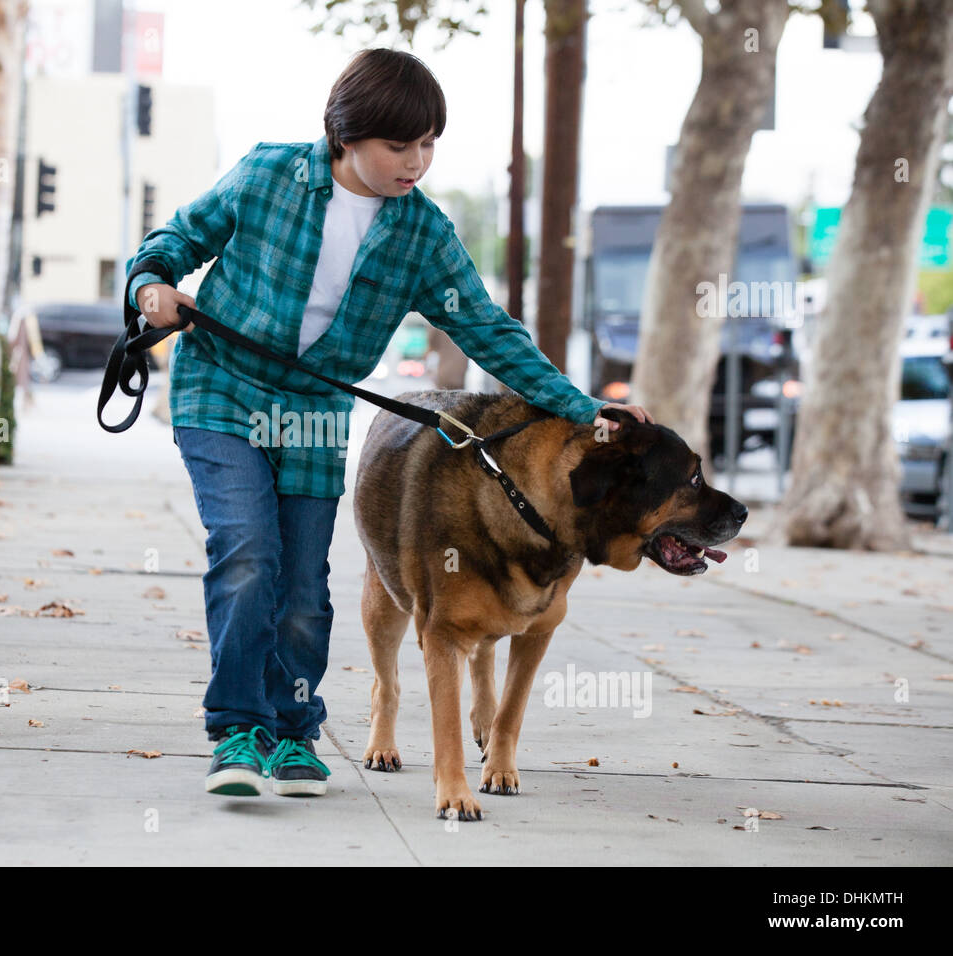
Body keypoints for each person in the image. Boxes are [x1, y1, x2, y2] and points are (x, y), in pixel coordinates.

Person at [125, 48, 652, 800]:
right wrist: (152, 285)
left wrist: (581, 406)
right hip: (222, 389)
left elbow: (489, 330)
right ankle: (239, 727)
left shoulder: (423, 234)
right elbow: (177, 237)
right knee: (248, 553)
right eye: (399, 145)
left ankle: (293, 732)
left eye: (429, 144)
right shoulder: (268, 173)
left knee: (303, 585)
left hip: (313, 412)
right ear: (345, 135)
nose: (416, 162)